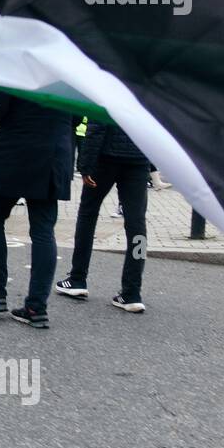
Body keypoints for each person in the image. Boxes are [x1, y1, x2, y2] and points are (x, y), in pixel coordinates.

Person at [0, 90, 75, 328]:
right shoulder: (68, 74)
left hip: (14, 150)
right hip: (54, 153)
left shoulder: (17, 66)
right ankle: (36, 307)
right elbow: (76, 118)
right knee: (44, 230)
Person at [56, 122, 150, 313]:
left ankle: (77, 278)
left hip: (105, 156)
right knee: (137, 226)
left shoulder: (112, 90)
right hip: (138, 158)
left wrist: (85, 165)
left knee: (87, 216)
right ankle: (132, 292)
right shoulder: (148, 90)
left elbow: (96, 124)